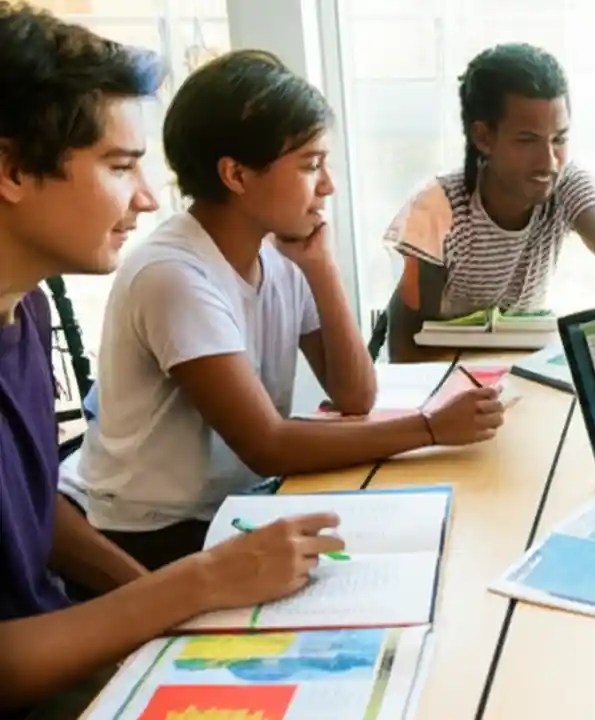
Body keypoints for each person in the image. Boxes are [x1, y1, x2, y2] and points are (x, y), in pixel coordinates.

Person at [0, 5, 345, 718]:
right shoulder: (169, 271)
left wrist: (168, 602)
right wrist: (196, 585)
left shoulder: (21, 307)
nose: (149, 196)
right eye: (120, 167)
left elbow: (37, 514)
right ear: (10, 169)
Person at [61, 50, 505, 572]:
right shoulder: (175, 275)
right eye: (310, 164)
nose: (328, 186)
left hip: (234, 506)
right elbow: (267, 445)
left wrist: (321, 269)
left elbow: (355, 395)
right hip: (152, 531)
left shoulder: (279, 249)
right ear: (236, 175)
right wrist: (428, 428)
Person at [383, 42, 595, 362]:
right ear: (483, 138)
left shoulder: (564, 183)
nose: (549, 162)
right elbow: (405, 350)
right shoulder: (437, 208)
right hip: (445, 378)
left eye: (559, 139)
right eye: (527, 140)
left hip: (519, 370)